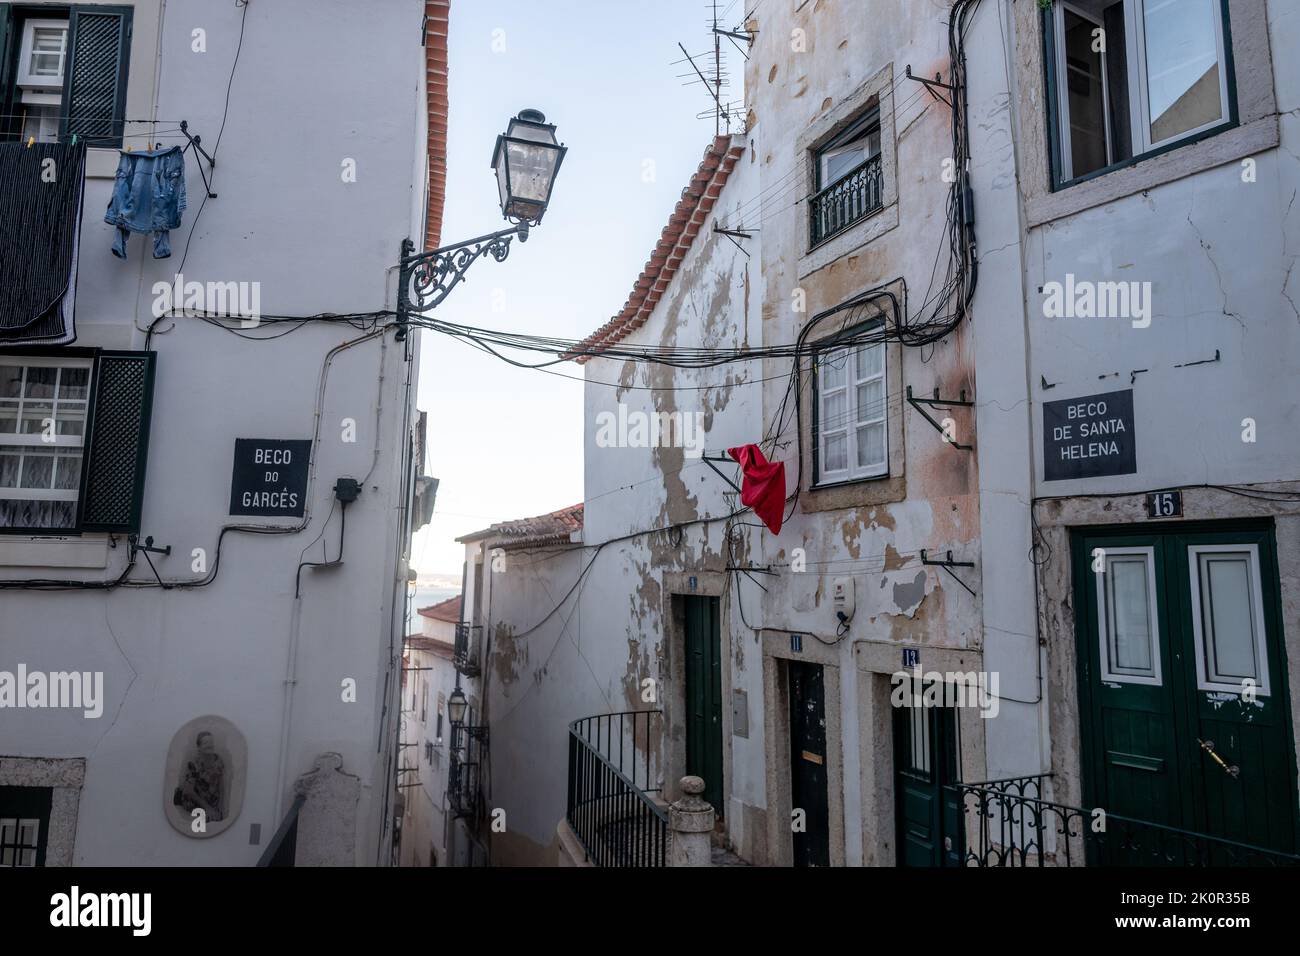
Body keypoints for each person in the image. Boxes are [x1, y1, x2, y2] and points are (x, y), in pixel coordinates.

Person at [173, 731, 225, 822]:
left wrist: (219, 807)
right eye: (205, 743)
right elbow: (189, 790)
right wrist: (208, 809)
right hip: (195, 800)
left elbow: (221, 784)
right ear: (199, 748)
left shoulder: (218, 761)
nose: (210, 745)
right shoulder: (193, 764)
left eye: (211, 742)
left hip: (211, 799)